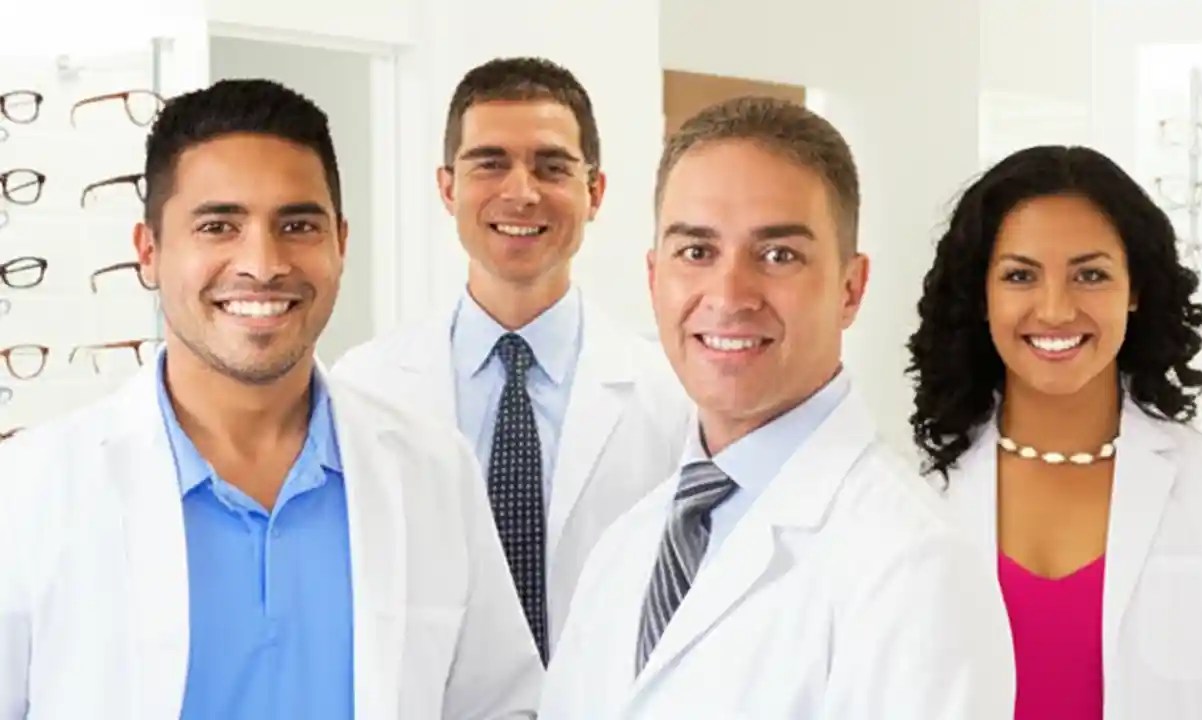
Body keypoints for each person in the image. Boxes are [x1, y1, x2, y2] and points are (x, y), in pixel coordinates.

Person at [0, 79, 541, 719]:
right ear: (150, 252)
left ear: (340, 242)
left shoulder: (432, 474)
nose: (262, 262)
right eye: (219, 226)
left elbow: (500, 708)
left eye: (297, 225)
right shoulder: (32, 490)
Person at [539, 96, 1015, 718]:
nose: (730, 294)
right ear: (655, 277)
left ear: (851, 289)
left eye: (778, 255)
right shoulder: (625, 549)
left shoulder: (915, 565)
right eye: (696, 252)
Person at [332, 57, 689, 663]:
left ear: (594, 191)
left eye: (551, 167)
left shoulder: (675, 397)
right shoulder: (360, 389)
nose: (520, 192)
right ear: (447, 188)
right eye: (490, 163)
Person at [906, 145, 1202, 719]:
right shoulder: (912, 496)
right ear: (981, 295)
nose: (1055, 310)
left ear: (1134, 291)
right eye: (1020, 275)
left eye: (1091, 275)